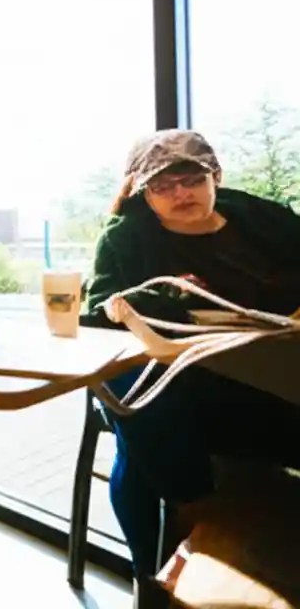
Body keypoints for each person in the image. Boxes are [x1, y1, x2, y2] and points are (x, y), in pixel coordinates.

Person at [82, 129, 300, 587]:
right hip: (176, 376)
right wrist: (157, 303)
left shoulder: (265, 220)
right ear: (144, 193)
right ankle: (178, 537)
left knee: (142, 439)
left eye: (192, 180)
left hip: (273, 369)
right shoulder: (127, 237)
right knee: (137, 395)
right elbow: (97, 315)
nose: (180, 194)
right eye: (162, 186)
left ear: (215, 176)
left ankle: (172, 565)